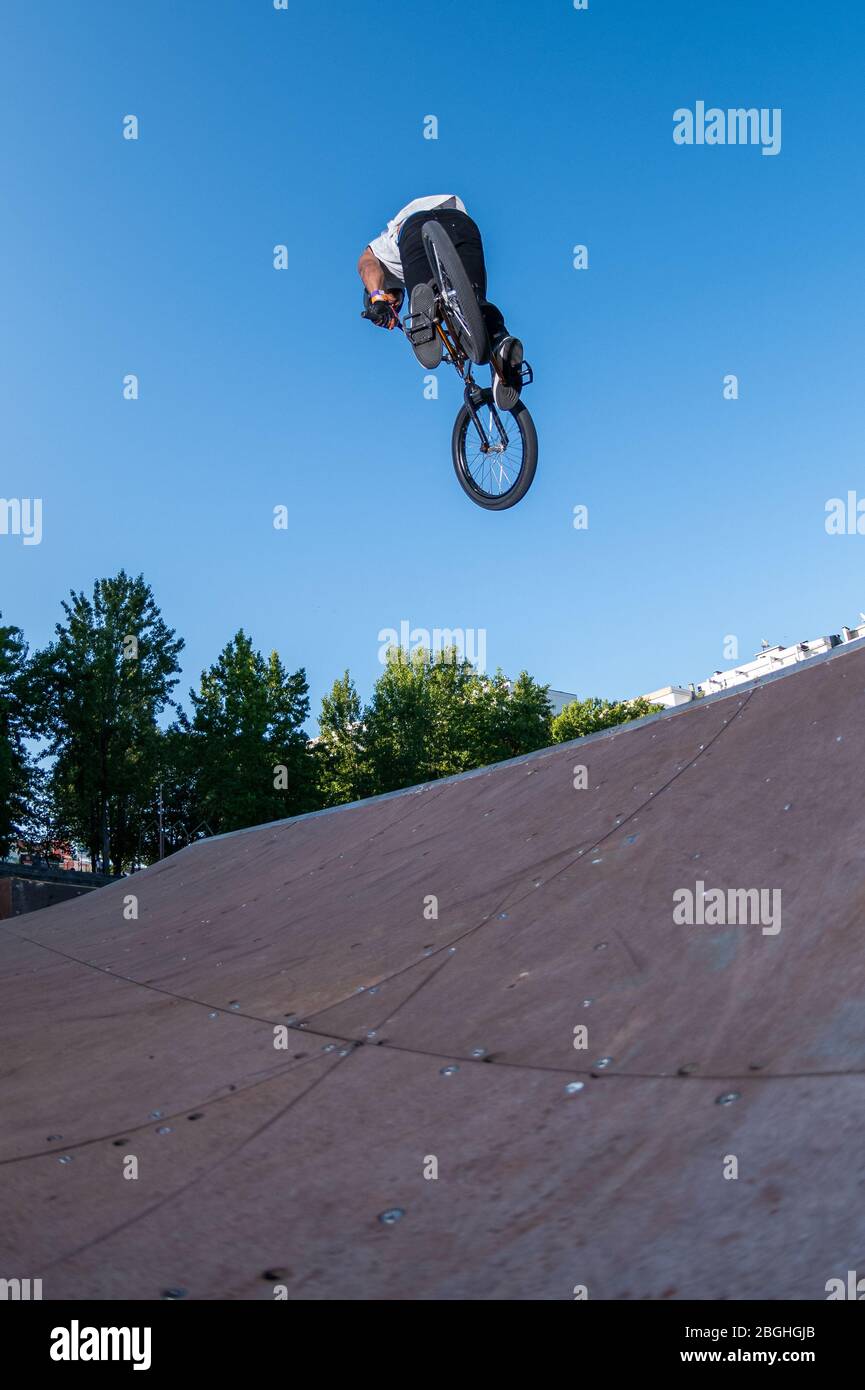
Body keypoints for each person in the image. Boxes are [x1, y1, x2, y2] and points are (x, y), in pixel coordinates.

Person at [358, 194, 525, 410]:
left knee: (426, 291)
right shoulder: (399, 275)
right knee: (474, 303)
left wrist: (377, 299)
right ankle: (501, 342)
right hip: (462, 224)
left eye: (394, 306)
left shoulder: (377, 256)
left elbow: (366, 268)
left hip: (414, 229)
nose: (395, 307)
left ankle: (423, 319)